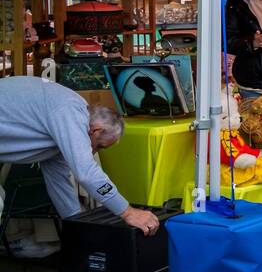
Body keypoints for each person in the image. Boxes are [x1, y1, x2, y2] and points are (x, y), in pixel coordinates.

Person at [0, 77, 160, 235]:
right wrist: (127, 212)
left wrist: (76, 226)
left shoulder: (69, 118)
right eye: (99, 146)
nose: (93, 152)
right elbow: (87, 173)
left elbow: (59, 182)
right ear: (95, 130)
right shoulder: (70, 112)